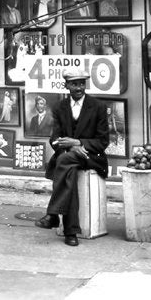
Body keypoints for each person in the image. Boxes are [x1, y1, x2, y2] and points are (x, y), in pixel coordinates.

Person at [35, 68, 109, 247]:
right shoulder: (60, 107)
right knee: (69, 170)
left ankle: (53, 214)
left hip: (91, 156)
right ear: (66, 85)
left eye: (82, 83)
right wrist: (68, 148)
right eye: (74, 84)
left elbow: (102, 141)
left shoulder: (97, 107)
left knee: (63, 162)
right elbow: (54, 138)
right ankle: (71, 232)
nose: (79, 88)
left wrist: (77, 143)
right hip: (68, 156)